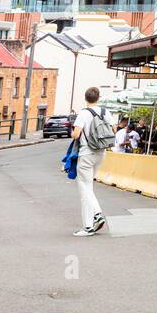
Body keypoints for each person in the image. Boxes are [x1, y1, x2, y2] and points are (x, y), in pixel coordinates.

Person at [70, 87, 110, 237]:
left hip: (87, 153)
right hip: (101, 152)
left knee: (84, 186)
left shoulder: (83, 113)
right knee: (87, 187)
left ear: (86, 98)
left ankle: (97, 214)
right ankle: (87, 226)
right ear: (98, 98)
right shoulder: (106, 112)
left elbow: (76, 134)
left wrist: (73, 132)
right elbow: (112, 129)